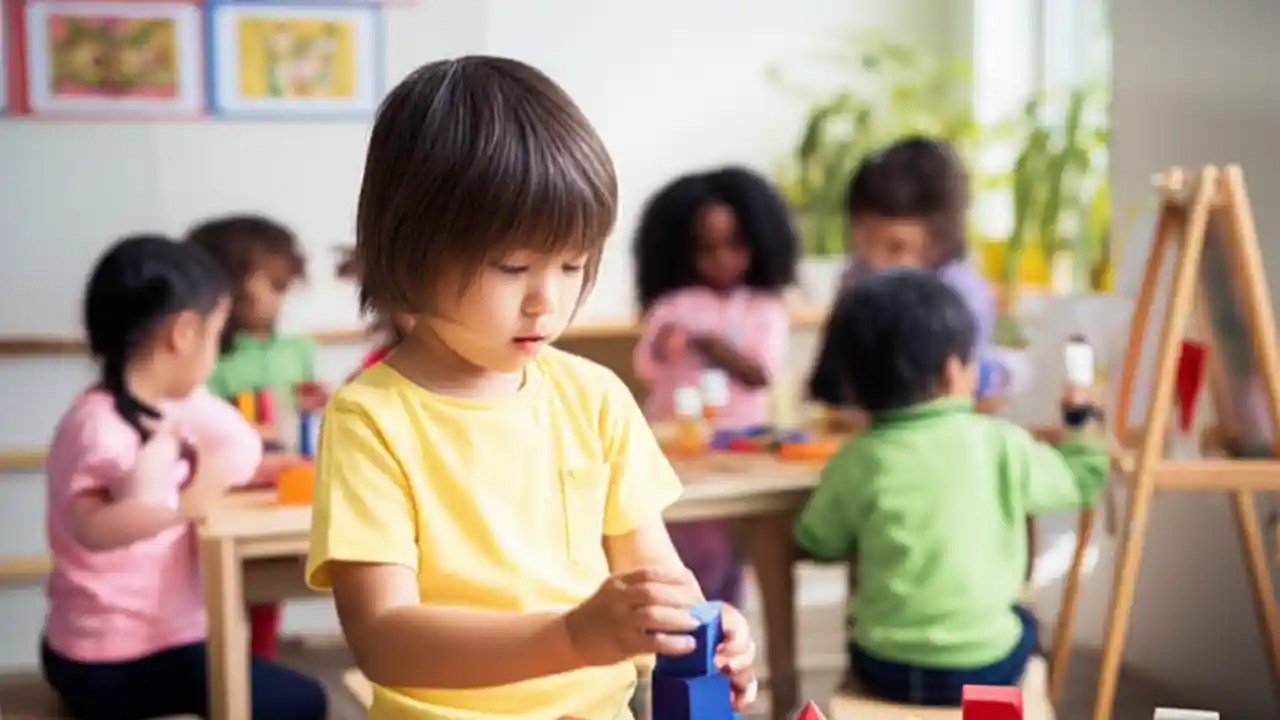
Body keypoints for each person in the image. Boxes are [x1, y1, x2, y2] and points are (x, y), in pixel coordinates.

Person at [304, 56, 759, 719]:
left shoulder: (595, 397)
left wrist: (702, 627)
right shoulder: (371, 419)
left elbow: (656, 575)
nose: (547, 300)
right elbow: (384, 638)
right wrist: (571, 637)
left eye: (573, 264)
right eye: (513, 266)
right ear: (413, 248)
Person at [41, 235, 326, 719]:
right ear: (183, 334)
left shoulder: (162, 409)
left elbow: (239, 448)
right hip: (114, 656)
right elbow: (89, 525)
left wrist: (203, 441)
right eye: (215, 336)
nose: (215, 353)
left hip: (145, 644)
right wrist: (185, 504)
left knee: (271, 684)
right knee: (304, 702)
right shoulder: (99, 424)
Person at [793, 269, 1108, 706]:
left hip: (885, 669)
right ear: (951, 372)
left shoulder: (856, 459)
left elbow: (817, 540)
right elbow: (1081, 482)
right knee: (1027, 628)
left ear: (855, 384)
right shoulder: (1001, 442)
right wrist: (1082, 420)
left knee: (867, 632)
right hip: (986, 667)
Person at [631, 167, 799, 604]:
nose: (721, 259)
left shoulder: (764, 308)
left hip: (740, 450)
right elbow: (647, 366)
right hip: (676, 447)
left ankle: (721, 642)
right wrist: (667, 345)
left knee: (729, 558)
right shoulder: (673, 305)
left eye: (735, 245)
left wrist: (710, 345)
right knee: (690, 551)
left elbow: (762, 373)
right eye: (705, 249)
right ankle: (692, 637)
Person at [185, 213, 323, 660]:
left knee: (268, 590)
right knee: (215, 593)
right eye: (275, 287)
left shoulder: (297, 349)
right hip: (222, 492)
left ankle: (259, 664)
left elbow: (303, 411)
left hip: (279, 487)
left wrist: (315, 401)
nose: (281, 300)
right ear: (227, 287)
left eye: (286, 288)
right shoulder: (206, 358)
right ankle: (222, 667)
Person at [808, 137, 1001, 415]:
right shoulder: (855, 277)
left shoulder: (960, 295)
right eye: (863, 240)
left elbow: (964, 403)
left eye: (897, 248)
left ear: (938, 247)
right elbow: (828, 384)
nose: (875, 262)